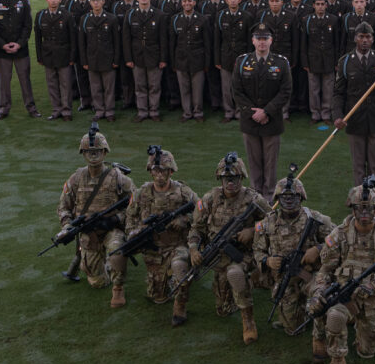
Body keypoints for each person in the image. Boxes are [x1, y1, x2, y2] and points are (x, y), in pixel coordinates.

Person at [306, 180, 375, 364]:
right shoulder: (339, 235)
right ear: (352, 208)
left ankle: (354, 326)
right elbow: (325, 270)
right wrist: (319, 292)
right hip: (345, 294)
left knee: (366, 351)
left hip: (373, 299)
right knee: (333, 313)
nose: (364, 213)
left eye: (369, 208)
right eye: (359, 208)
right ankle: (337, 358)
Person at [188, 154, 269, 343]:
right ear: (220, 179)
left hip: (244, 255)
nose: (230, 182)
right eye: (226, 178)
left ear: (242, 178)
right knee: (223, 310)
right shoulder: (210, 198)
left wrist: (252, 230)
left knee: (235, 273)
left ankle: (248, 320)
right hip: (219, 256)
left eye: (235, 178)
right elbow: (196, 229)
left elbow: (274, 221)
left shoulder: (253, 199)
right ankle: (248, 284)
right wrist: (193, 250)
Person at [54, 124, 137, 307]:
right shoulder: (76, 178)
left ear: (105, 152)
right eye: (89, 151)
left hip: (111, 229)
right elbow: (64, 206)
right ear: (83, 153)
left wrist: (117, 219)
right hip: (88, 233)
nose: (93, 155)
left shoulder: (118, 178)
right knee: (98, 282)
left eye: (98, 151)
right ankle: (103, 265)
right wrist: (67, 226)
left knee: (117, 249)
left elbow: (135, 205)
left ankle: (118, 289)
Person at [253, 170, 334, 341]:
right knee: (293, 329)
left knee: (322, 298)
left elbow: (339, 239)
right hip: (286, 279)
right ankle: (305, 310)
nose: (289, 202)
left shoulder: (315, 218)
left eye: (294, 197)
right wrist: (268, 261)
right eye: (284, 198)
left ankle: (333, 314)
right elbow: (257, 250)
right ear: (277, 199)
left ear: (301, 197)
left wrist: (318, 249)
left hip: (312, 276)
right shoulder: (268, 223)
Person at [128, 146, 198, 319]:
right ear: (150, 172)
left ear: (171, 172)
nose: (159, 175)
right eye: (156, 170)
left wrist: (184, 220)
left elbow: (201, 211)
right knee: (158, 297)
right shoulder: (142, 192)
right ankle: (168, 276)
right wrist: (134, 233)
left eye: (164, 171)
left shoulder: (182, 191)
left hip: (178, 245)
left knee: (179, 267)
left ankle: (180, 305)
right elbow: (130, 216)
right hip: (154, 250)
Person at [232, 25, 291, 203]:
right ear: (253, 41)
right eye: (259, 38)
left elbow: (286, 91)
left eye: (265, 38)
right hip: (250, 121)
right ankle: (255, 194)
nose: (262, 42)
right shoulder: (242, 61)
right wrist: (253, 113)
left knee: (270, 162)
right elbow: (236, 91)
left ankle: (269, 196)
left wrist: (266, 111)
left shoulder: (281, 62)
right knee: (254, 160)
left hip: (271, 121)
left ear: (271, 41)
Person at [334, 23, 375, 186]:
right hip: (355, 119)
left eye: (368, 37)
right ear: (355, 38)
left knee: (374, 164)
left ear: (373, 39)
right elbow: (338, 93)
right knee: (358, 165)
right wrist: (337, 116)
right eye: (361, 37)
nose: (364, 40)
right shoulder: (345, 62)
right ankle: (359, 199)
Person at [122, 0, 166, 121]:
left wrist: (163, 58)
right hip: (137, 56)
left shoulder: (159, 15)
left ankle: (154, 111)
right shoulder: (130, 14)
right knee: (139, 86)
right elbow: (126, 39)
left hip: (154, 56)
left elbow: (163, 39)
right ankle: (142, 111)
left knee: (154, 86)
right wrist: (128, 58)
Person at [33, 0, 76, 120]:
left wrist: (72, 57)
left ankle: (66, 111)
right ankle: (56, 109)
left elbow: (72, 38)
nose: (53, 1)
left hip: (64, 54)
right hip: (48, 55)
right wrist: (39, 56)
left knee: (65, 84)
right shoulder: (41, 15)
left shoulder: (67, 15)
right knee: (51, 83)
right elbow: (38, 39)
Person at [78, 0, 121, 119]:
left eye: (98, 0)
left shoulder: (111, 18)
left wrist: (116, 60)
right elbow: (82, 43)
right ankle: (99, 110)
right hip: (92, 59)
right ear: (90, 2)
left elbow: (117, 42)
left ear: (103, 1)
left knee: (109, 88)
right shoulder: (85, 19)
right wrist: (84, 61)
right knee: (95, 87)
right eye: (93, 0)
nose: (96, 3)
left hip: (108, 58)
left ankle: (109, 111)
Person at [169, 0, 211, 121]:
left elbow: (207, 43)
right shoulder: (175, 19)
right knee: (184, 88)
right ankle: (187, 112)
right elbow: (172, 43)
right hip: (181, 59)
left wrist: (207, 63)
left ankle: (198, 112)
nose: (187, 3)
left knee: (197, 88)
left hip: (198, 59)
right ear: (181, 3)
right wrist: (173, 63)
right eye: (185, 1)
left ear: (194, 3)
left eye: (190, 0)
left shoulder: (202, 19)